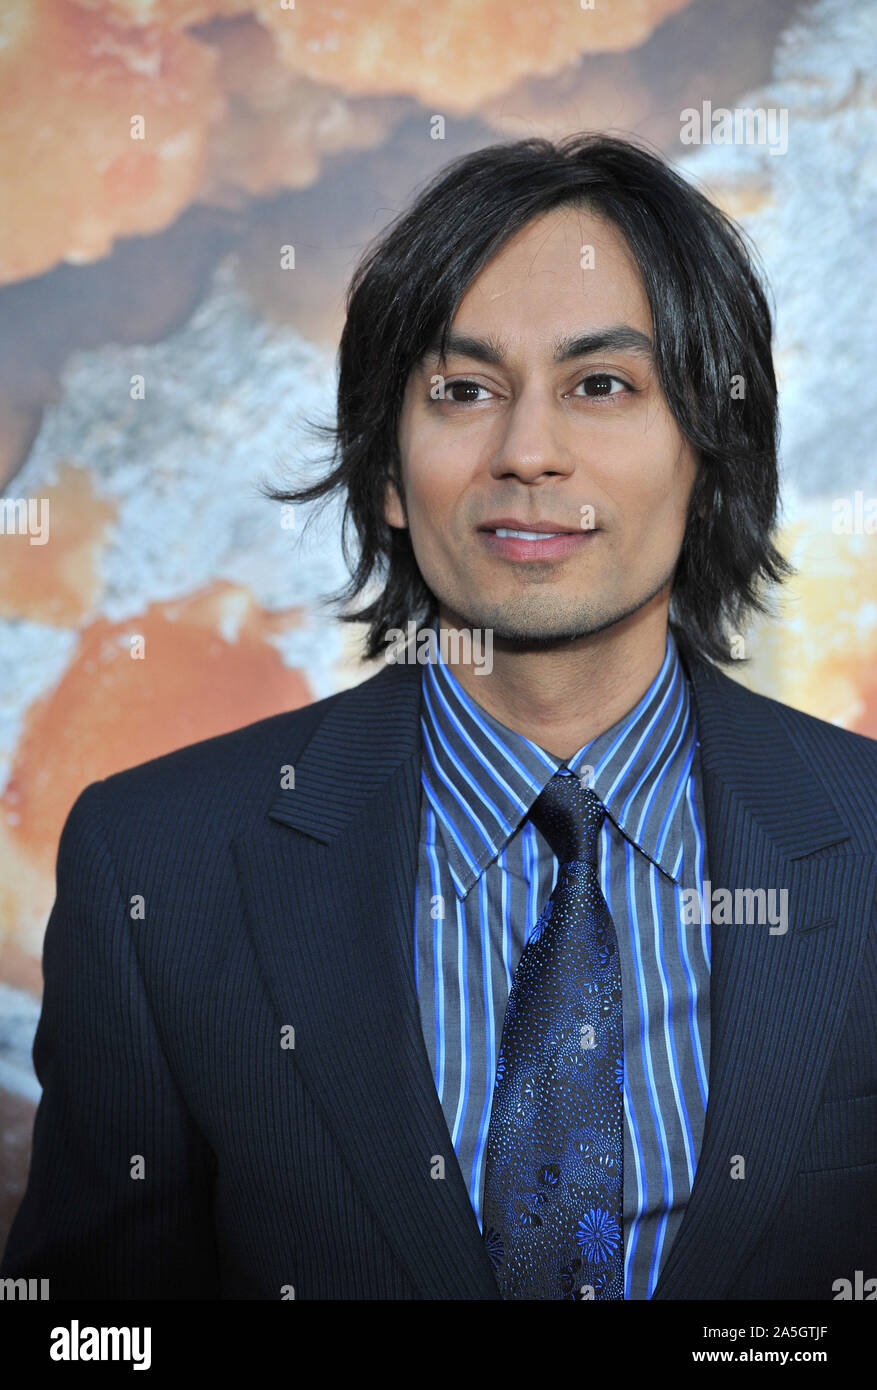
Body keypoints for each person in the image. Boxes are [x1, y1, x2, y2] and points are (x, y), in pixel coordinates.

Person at [2, 134, 874, 1301]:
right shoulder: (160, 863)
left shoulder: (860, 848)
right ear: (384, 474)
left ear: (710, 456)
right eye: (462, 391)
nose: (525, 452)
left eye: (600, 386)